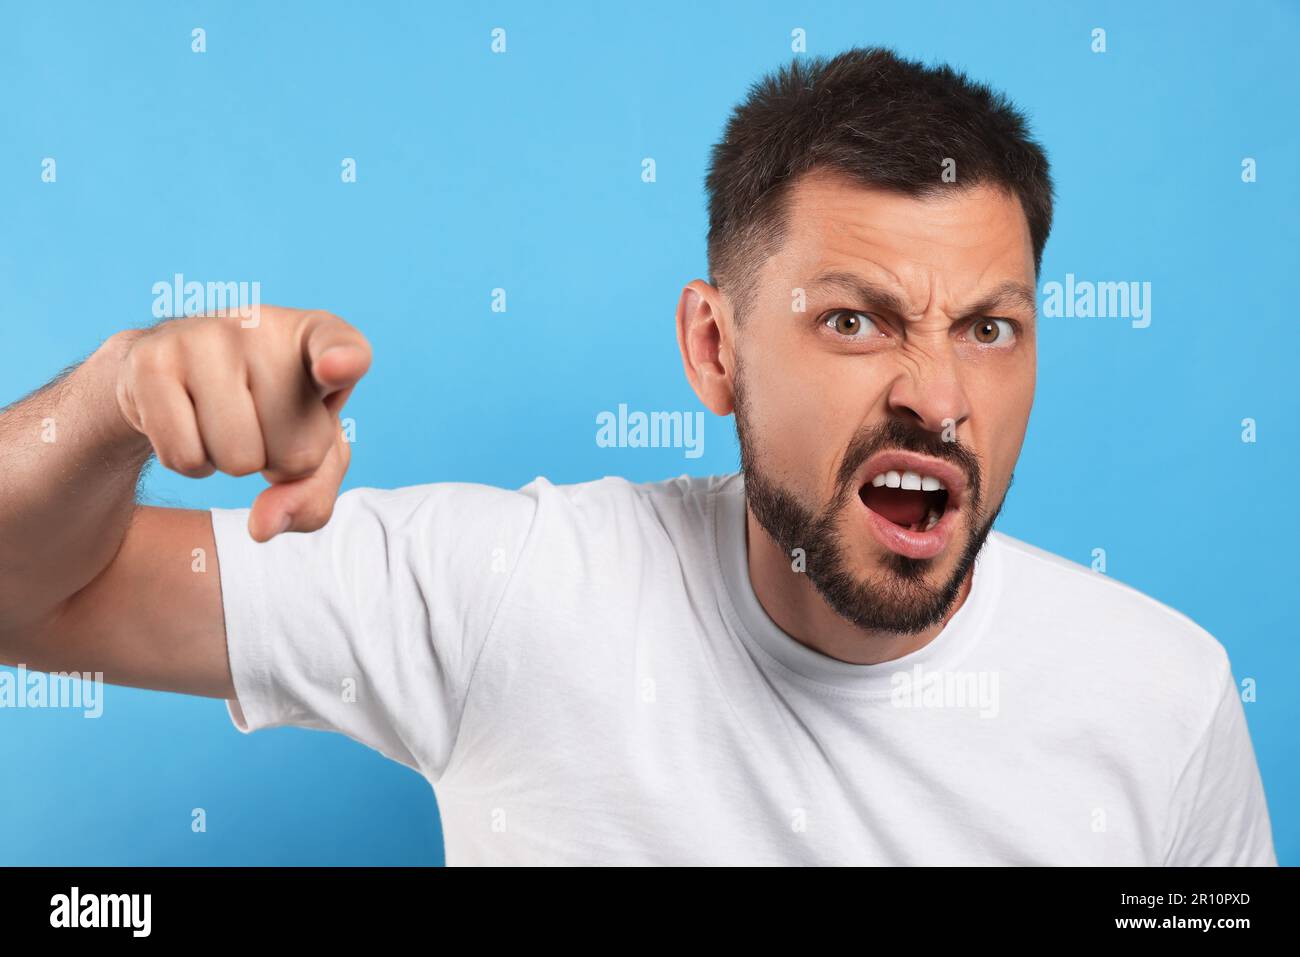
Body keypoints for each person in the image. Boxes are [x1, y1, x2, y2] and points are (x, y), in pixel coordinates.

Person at [0, 46, 1276, 865]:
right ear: (713, 349)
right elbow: (24, 598)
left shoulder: (1161, 698)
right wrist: (113, 399)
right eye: (852, 320)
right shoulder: (510, 595)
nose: (938, 399)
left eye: (990, 329)